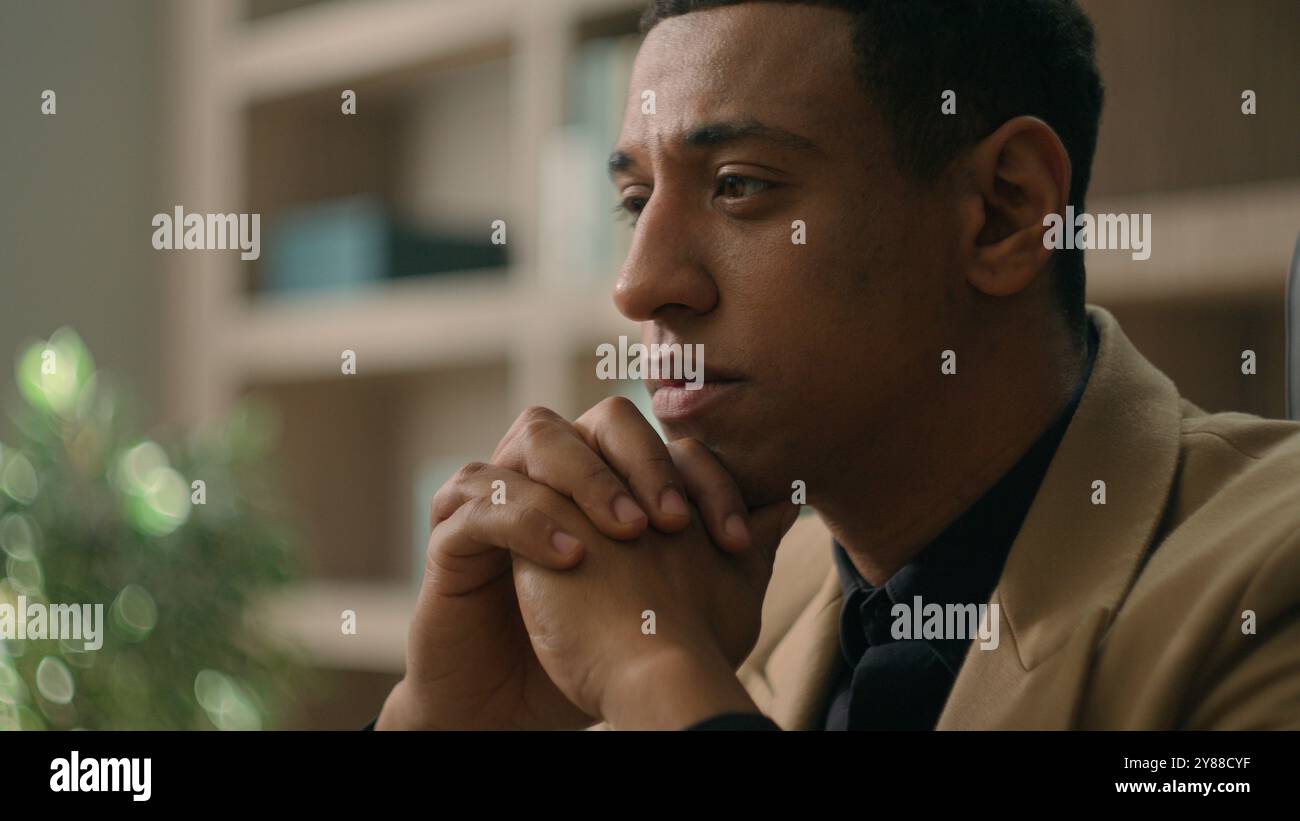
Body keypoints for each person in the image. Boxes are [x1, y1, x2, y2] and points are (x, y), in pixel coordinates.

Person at [375, 0, 1300, 731]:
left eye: (738, 186)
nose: (639, 285)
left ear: (1007, 210)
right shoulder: (707, 583)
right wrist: (449, 720)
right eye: (635, 200)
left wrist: (655, 676)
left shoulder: (1271, 582)